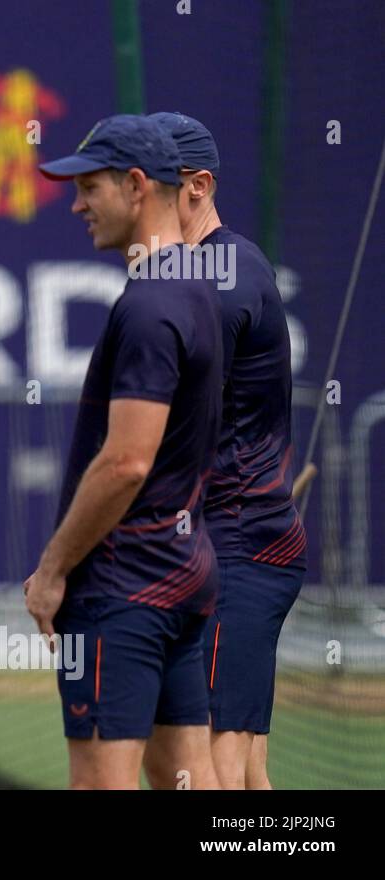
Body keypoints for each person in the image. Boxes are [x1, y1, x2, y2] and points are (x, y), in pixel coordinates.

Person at [27, 116, 224, 789]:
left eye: (88, 188)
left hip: (120, 588)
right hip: (180, 574)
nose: (77, 204)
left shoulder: (149, 305)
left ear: (136, 185)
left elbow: (126, 462)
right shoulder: (196, 288)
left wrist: (53, 568)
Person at [150, 111, 306, 789]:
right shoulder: (209, 269)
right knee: (243, 775)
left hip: (235, 549)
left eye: (147, 187)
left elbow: (157, 443)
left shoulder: (218, 279)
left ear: (198, 186)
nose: (131, 202)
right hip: (236, 542)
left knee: (209, 770)